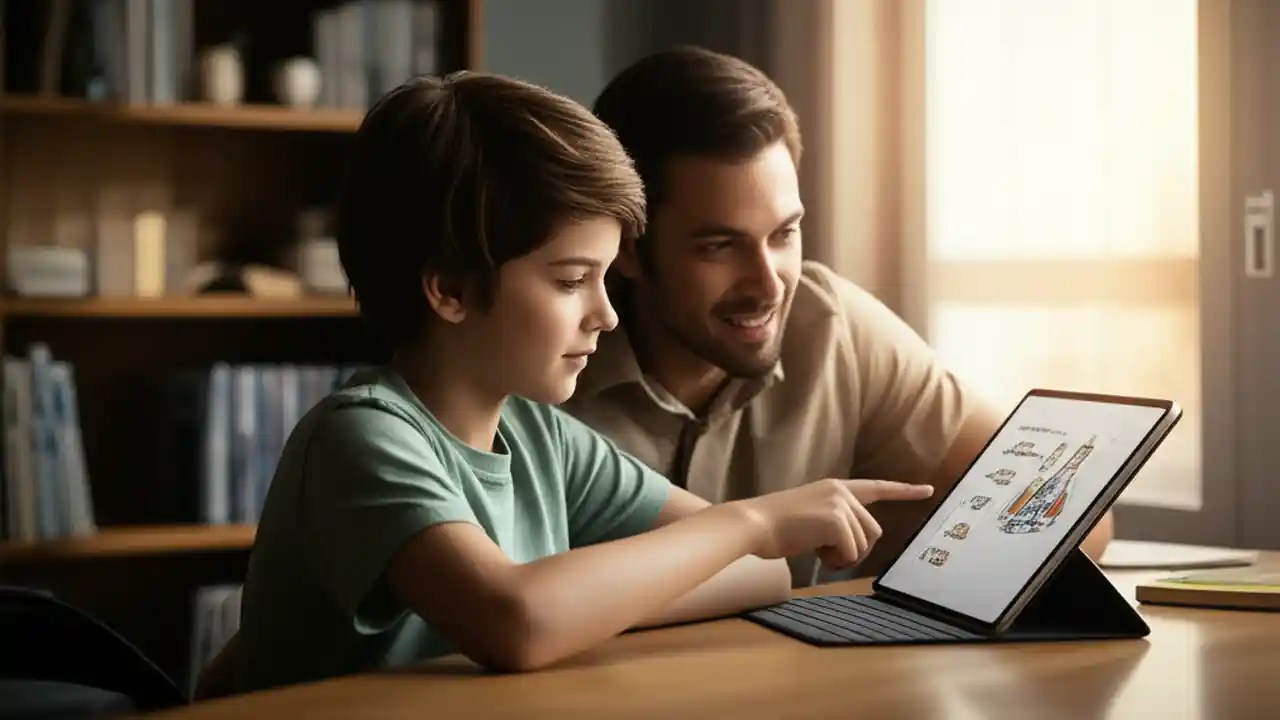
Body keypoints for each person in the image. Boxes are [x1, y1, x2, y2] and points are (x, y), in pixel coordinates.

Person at [227, 71, 935, 693]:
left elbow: (762, 572)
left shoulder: (541, 439)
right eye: (571, 280)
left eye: (603, 277)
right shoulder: (363, 439)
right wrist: (752, 518)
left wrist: (587, 598)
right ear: (448, 289)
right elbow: (519, 620)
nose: (603, 314)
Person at [563, 46, 1114, 588]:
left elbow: (1074, 516)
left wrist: (906, 562)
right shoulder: (544, 366)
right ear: (629, 248)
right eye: (719, 246)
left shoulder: (829, 324)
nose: (768, 283)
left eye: (784, 234)